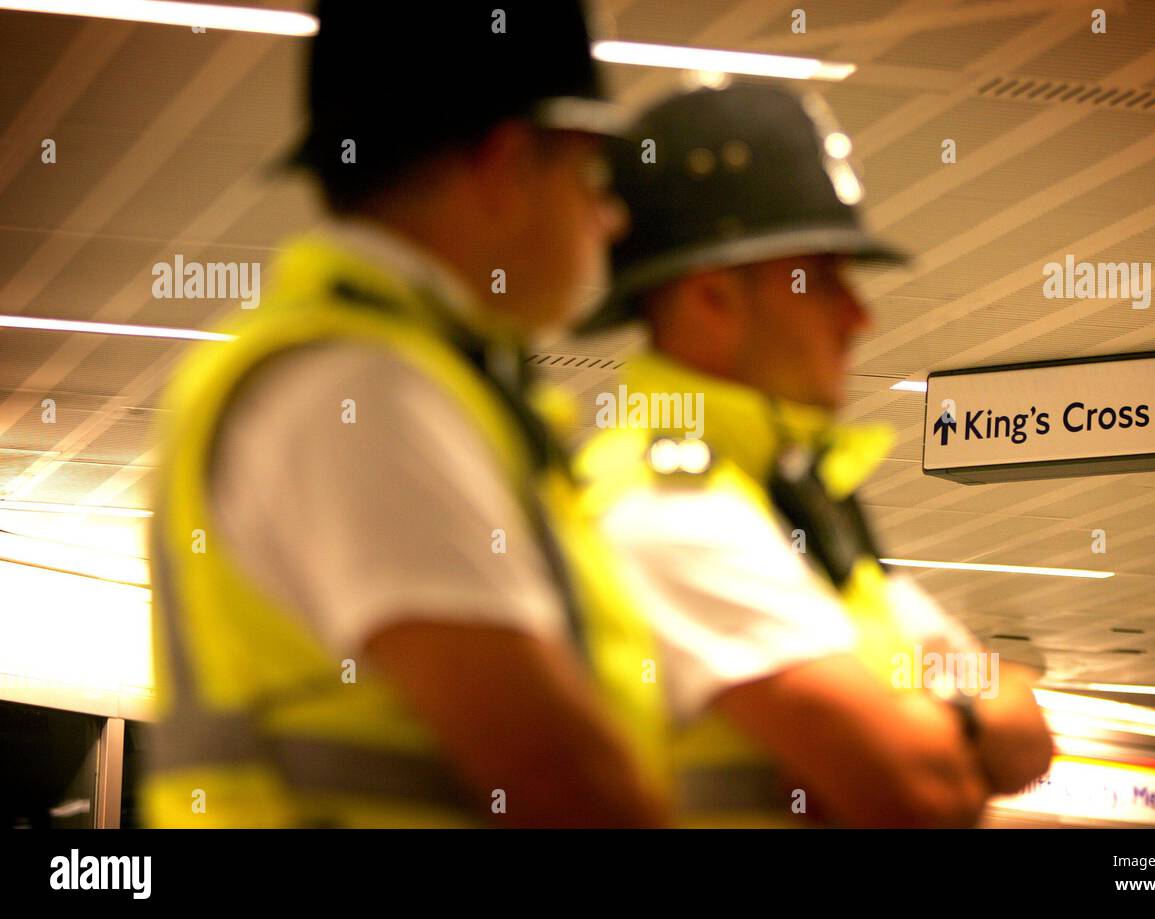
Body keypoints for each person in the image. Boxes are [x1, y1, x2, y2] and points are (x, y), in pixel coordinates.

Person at [143, 1, 669, 828]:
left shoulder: (388, 374)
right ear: (506, 167)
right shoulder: (365, 392)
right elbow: (552, 772)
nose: (612, 216)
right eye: (591, 174)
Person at [575, 84, 1054, 827]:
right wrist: (959, 714)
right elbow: (927, 794)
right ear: (711, 300)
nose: (860, 315)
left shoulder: (792, 496)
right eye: (823, 277)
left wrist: (946, 709)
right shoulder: (670, 512)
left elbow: (1030, 741)